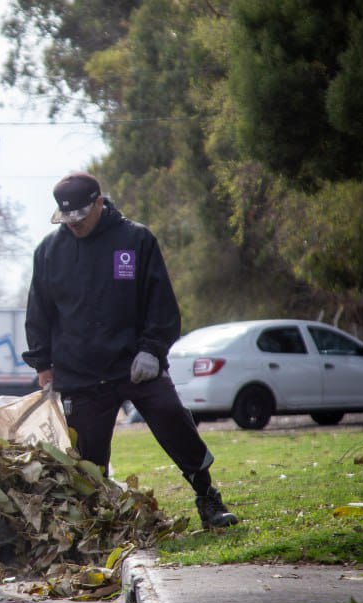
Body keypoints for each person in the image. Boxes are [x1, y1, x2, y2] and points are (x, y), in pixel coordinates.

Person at [23, 172, 239, 530]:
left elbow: (161, 303)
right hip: (81, 373)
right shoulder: (49, 251)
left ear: (98, 203)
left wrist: (152, 350)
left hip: (135, 364)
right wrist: (42, 364)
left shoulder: (136, 239)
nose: (74, 225)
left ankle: (208, 497)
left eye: (80, 216)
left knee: (175, 422)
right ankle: (95, 524)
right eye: (67, 219)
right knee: (88, 460)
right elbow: (40, 312)